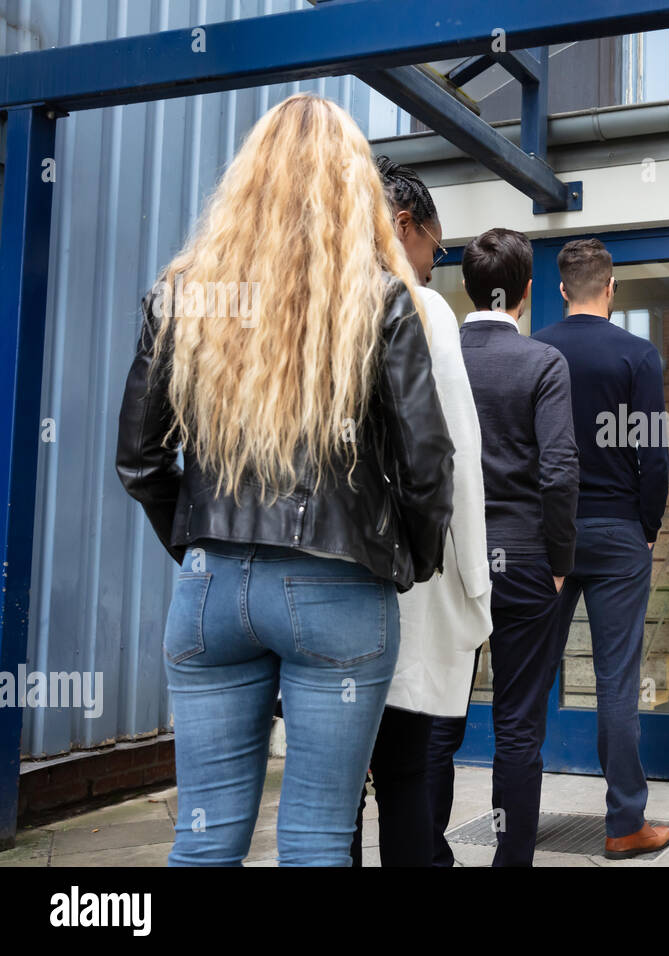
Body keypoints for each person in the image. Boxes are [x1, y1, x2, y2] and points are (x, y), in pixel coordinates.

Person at [115, 93, 455, 866]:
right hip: (339, 592)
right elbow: (428, 465)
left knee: (201, 843)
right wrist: (407, 560)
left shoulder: (185, 294)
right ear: (353, 187)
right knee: (312, 840)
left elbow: (138, 460)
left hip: (208, 596)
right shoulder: (381, 298)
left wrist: (203, 548)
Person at [349, 158, 492, 867]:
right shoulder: (420, 307)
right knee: (405, 784)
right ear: (402, 225)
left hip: (310, 588)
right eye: (436, 247)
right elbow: (451, 457)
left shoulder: (302, 300)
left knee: (330, 797)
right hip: (401, 584)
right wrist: (470, 585)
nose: (436, 265)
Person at [425, 227, 580, 867]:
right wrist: (560, 564)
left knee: (436, 719)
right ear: (525, 292)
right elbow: (561, 472)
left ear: (467, 286)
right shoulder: (543, 363)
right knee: (517, 726)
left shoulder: (435, 357)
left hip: (445, 562)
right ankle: (510, 860)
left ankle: (427, 856)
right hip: (523, 562)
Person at [533, 238, 669, 859]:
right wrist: (646, 525)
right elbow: (655, 453)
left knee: (531, 677)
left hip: (547, 536)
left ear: (563, 289)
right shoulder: (638, 356)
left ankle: (516, 818)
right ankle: (624, 826)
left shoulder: (537, 349)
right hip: (618, 532)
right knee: (617, 681)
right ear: (610, 288)